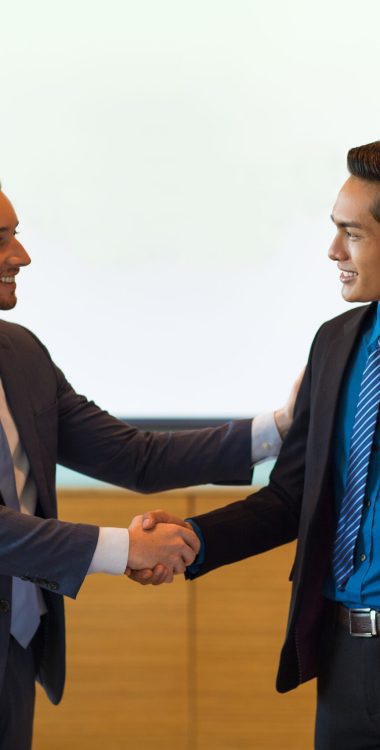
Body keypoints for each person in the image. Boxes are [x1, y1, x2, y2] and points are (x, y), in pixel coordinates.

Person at [0, 184, 300, 749]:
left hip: (15, 656)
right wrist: (125, 549)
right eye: (1, 240)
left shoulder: (21, 354)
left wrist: (280, 427)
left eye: (17, 236)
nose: (21, 256)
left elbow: (134, 456)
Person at [131, 140, 380, 749]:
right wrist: (194, 540)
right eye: (334, 230)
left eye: (352, 233)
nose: (333, 251)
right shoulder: (336, 343)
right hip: (346, 655)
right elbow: (293, 494)